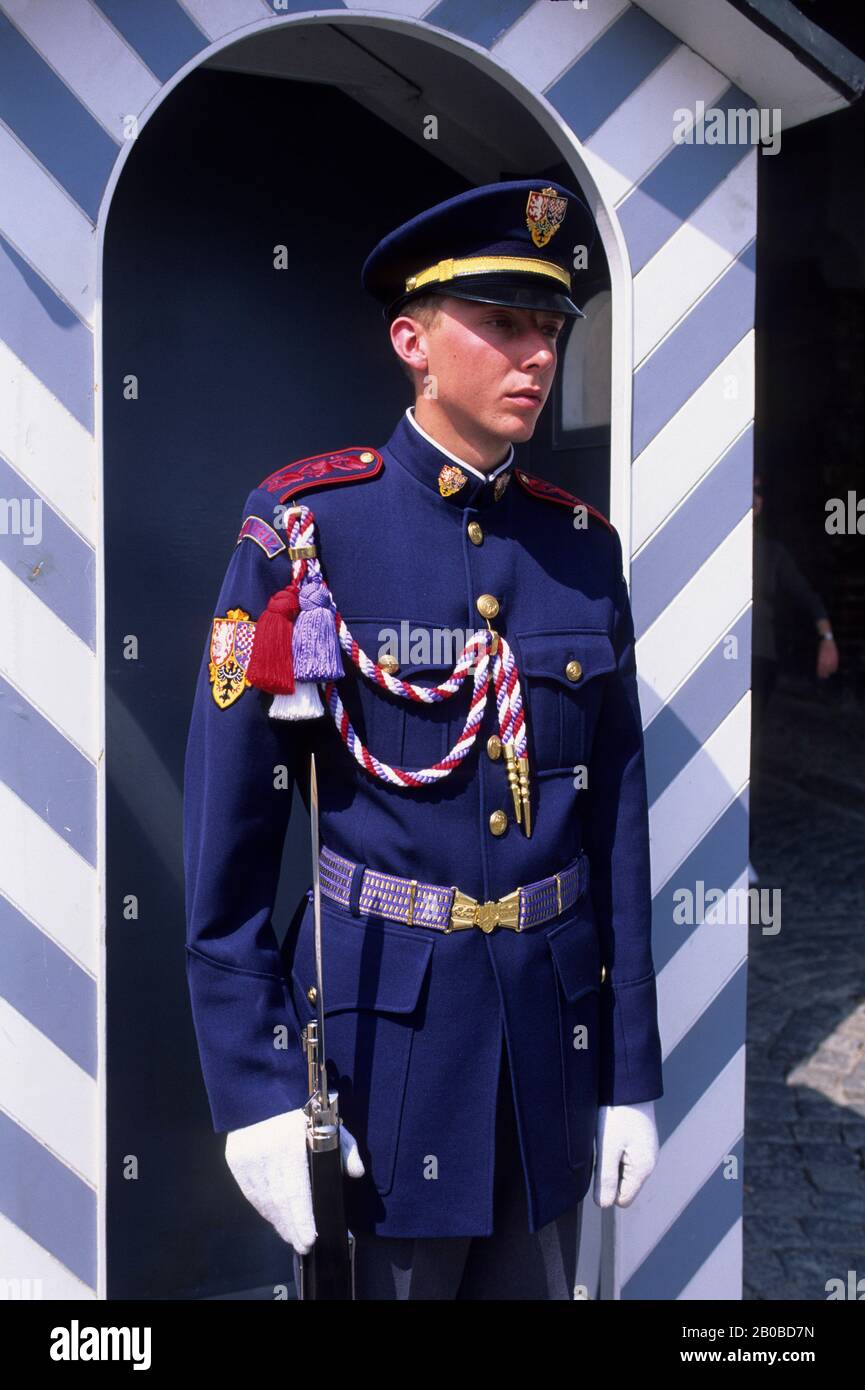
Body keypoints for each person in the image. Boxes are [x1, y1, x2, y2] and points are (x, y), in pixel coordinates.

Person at [183, 180, 664, 1301]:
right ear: (412, 342)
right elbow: (228, 843)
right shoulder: (306, 532)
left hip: (547, 1057)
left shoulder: (581, 548)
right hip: (379, 1055)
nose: (536, 355)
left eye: (548, 328)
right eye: (501, 324)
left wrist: (625, 1067)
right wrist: (256, 1091)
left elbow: (615, 820)